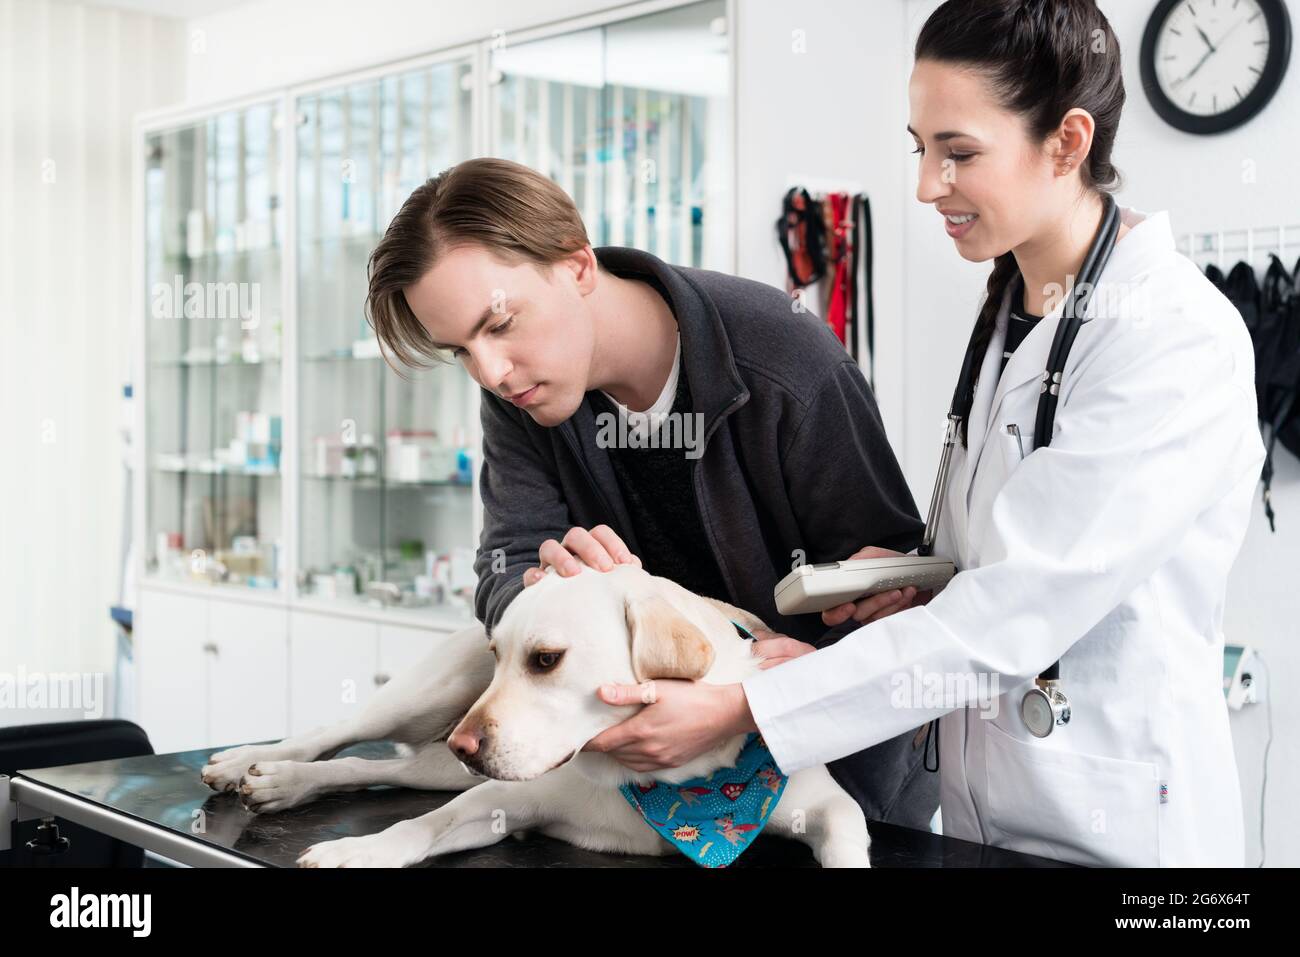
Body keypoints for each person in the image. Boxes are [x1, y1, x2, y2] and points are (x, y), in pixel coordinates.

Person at [583, 0, 1265, 867]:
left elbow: (1014, 613)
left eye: (959, 153)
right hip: (989, 808)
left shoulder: (1170, 335)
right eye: (921, 147)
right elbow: (994, 574)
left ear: (1067, 142)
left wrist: (754, 706)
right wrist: (911, 586)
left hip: (1127, 828)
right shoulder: (1014, 311)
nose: (925, 185)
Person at [364, 157, 940, 831]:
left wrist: (775, 683)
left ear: (578, 267)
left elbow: (901, 604)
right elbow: (501, 576)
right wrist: (555, 589)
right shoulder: (519, 396)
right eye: (459, 349)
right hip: (642, 791)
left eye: (499, 324)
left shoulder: (787, 365)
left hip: (832, 783)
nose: (490, 371)